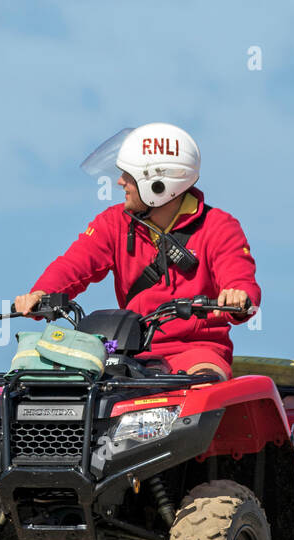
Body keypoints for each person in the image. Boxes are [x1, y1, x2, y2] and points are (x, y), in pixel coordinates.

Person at [14, 123, 259, 379]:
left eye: (128, 175)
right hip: (129, 351)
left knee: (203, 385)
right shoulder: (113, 222)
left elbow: (241, 282)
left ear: (159, 184)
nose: (120, 182)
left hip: (197, 351)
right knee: (73, 388)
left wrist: (238, 298)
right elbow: (74, 265)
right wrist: (42, 293)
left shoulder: (219, 226)